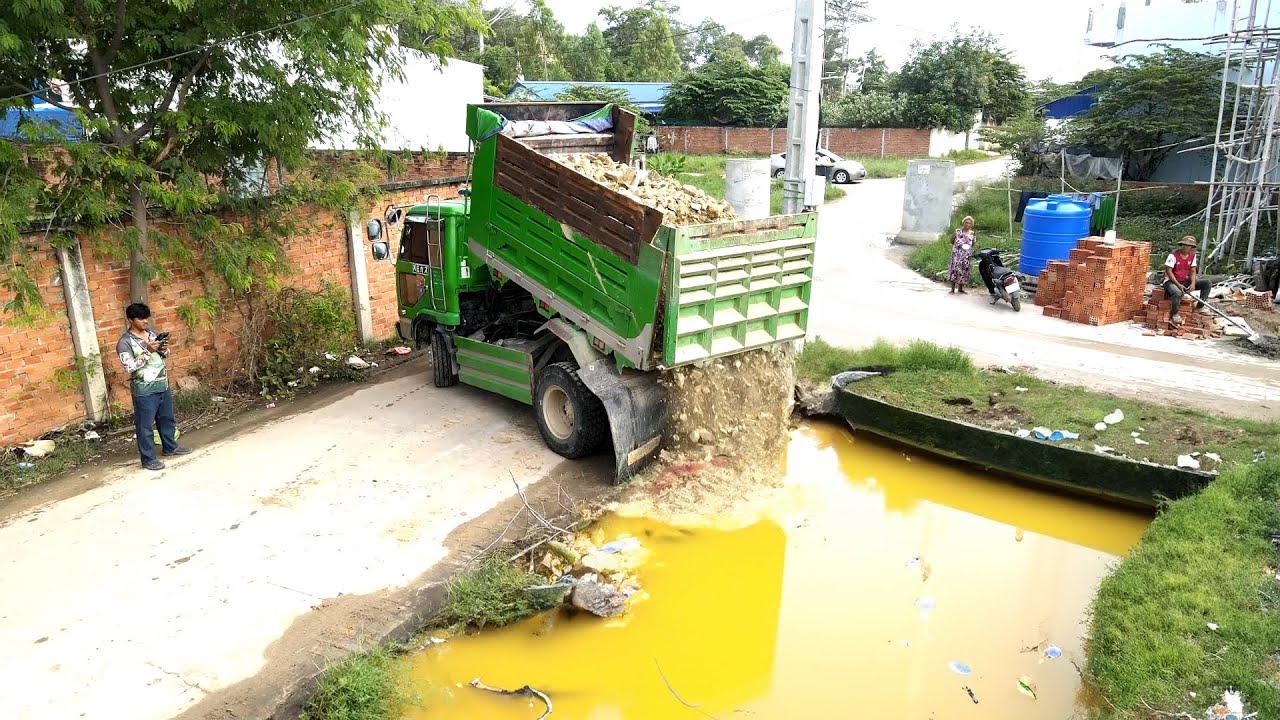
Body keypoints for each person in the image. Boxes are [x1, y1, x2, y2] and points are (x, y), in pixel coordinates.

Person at [117, 303, 190, 470]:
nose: (145, 321)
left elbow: (165, 355)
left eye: (147, 317)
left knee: (166, 419)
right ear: (130, 320)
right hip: (144, 391)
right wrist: (148, 350)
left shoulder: (151, 333)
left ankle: (170, 447)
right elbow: (129, 367)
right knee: (145, 426)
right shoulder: (125, 342)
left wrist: (163, 349)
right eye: (141, 318)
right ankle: (148, 459)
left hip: (162, 384)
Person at [1164, 236, 1212, 325]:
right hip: (1171, 281)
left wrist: (1193, 283)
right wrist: (1178, 284)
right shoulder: (1173, 255)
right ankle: (1175, 314)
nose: (1186, 247)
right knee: (1178, 293)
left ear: (1191, 247)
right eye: (1184, 245)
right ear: (1181, 245)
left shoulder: (1192, 256)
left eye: (1188, 246)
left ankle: (1199, 307)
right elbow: (1168, 271)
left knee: (1207, 283)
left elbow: (1193, 270)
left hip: (1185, 280)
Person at [950, 216, 976, 294]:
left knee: (964, 270)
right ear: (963, 223)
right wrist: (957, 247)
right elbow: (951, 240)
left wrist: (970, 251)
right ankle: (952, 289)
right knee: (955, 269)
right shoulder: (957, 231)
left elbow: (973, 243)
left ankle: (960, 288)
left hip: (966, 255)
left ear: (971, 224)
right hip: (957, 254)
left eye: (969, 223)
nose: (967, 224)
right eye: (966, 222)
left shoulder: (972, 233)